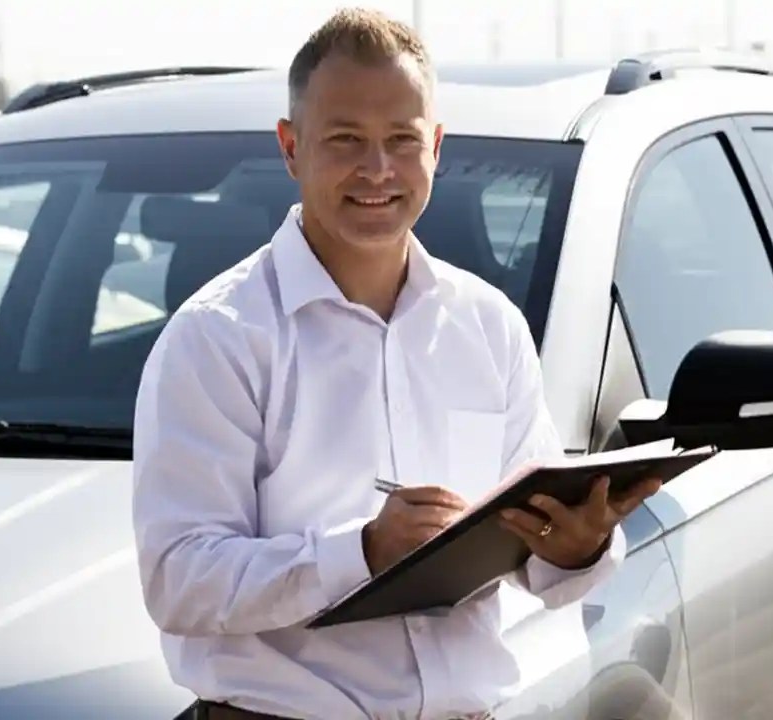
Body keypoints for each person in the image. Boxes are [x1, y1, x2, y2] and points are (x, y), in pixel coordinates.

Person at [130, 8, 663, 720]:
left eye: (402, 141)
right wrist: (366, 552)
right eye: (345, 139)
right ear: (291, 148)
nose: (377, 170)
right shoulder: (218, 337)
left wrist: (577, 545)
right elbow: (178, 580)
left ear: (436, 146)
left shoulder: (489, 326)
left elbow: (542, 566)